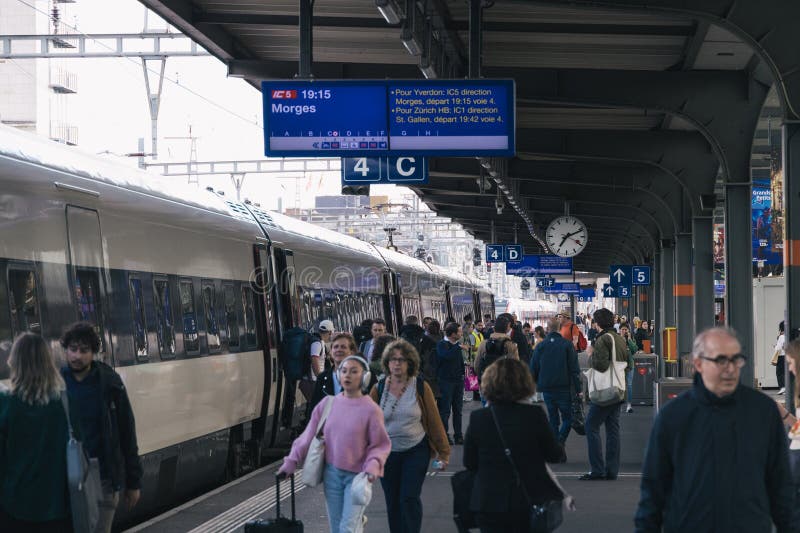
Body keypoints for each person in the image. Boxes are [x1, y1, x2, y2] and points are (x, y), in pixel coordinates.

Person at [635, 328, 797, 532]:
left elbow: (781, 486)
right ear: (698, 364)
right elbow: (653, 489)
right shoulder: (673, 416)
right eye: (721, 360)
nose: (730, 369)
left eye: (736, 359)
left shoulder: (763, 412)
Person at [278, 355, 391, 533]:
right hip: (332, 476)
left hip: (358, 478)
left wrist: (373, 466)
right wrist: (290, 462)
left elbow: (380, 445)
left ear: (365, 377)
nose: (347, 375)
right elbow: (307, 436)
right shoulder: (328, 404)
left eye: (354, 372)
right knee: (337, 528)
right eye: (344, 371)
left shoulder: (371, 409)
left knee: (347, 529)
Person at [464, 358, 567, 533]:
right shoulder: (534, 415)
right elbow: (554, 455)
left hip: (488, 501)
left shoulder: (479, 417)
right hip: (526, 499)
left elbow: (470, 462)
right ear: (525, 383)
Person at [60, 322, 142, 533]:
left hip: (104, 477)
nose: (77, 356)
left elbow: (127, 432)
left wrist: (133, 482)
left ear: (94, 353)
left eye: (84, 350)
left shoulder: (110, 384)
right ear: (66, 350)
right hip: (66, 480)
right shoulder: (56, 384)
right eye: (73, 349)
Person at [369, 339, 450, 533]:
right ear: (387, 363)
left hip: (416, 450)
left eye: (402, 360)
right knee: (393, 501)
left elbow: (433, 420)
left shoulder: (420, 387)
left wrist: (443, 452)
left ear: (410, 363)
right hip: (387, 453)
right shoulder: (378, 389)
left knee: (408, 497)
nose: (397, 364)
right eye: (393, 360)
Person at [0, 333, 74, 532]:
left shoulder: (6, 405)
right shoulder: (65, 404)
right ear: (48, 362)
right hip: (57, 509)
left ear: (14, 362)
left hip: (14, 509)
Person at [580, 309, 628, 481]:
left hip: (605, 391)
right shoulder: (620, 339)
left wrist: (591, 354)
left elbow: (600, 365)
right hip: (618, 389)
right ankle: (612, 470)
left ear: (597, 323)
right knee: (612, 429)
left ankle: (597, 469)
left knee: (591, 426)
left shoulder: (602, 340)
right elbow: (628, 364)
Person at [530, 316, 581, 453]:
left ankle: (556, 446)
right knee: (568, 418)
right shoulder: (567, 345)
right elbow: (574, 369)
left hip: (546, 388)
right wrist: (579, 389)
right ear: (560, 329)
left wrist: (532, 385)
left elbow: (533, 367)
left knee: (553, 419)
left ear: (547, 329)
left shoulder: (540, 346)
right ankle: (560, 442)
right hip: (564, 387)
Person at [311, 332, 377, 411]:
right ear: (331, 352)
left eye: (343, 347)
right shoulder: (322, 378)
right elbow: (314, 411)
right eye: (335, 347)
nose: (339, 350)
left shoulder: (366, 375)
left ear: (352, 351)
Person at [436, 322, 468, 445]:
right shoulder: (441, 345)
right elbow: (445, 356)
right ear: (453, 334)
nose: (461, 333)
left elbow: (457, 361)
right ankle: (445, 436)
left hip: (458, 381)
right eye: (459, 332)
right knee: (445, 410)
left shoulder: (456, 345)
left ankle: (458, 435)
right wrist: (458, 347)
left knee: (458, 410)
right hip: (446, 381)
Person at [300, 320, 335, 406]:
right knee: (317, 406)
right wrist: (320, 378)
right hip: (312, 381)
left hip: (312, 381)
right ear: (330, 332)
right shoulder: (317, 343)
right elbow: (314, 360)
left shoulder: (319, 342)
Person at [618, 323, 638, 414]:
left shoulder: (631, 339)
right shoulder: (617, 339)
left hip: (630, 365)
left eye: (626, 329)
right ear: (619, 330)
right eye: (622, 329)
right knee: (620, 386)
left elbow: (634, 350)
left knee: (629, 385)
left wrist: (629, 340)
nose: (624, 331)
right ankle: (619, 405)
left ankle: (629, 405)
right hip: (619, 366)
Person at [775, 321, 787, 395]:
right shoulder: (789, 335)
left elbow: (778, 348)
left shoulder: (781, 336)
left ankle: (783, 387)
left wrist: (775, 347)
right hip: (789, 355)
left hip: (781, 356)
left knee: (779, 373)